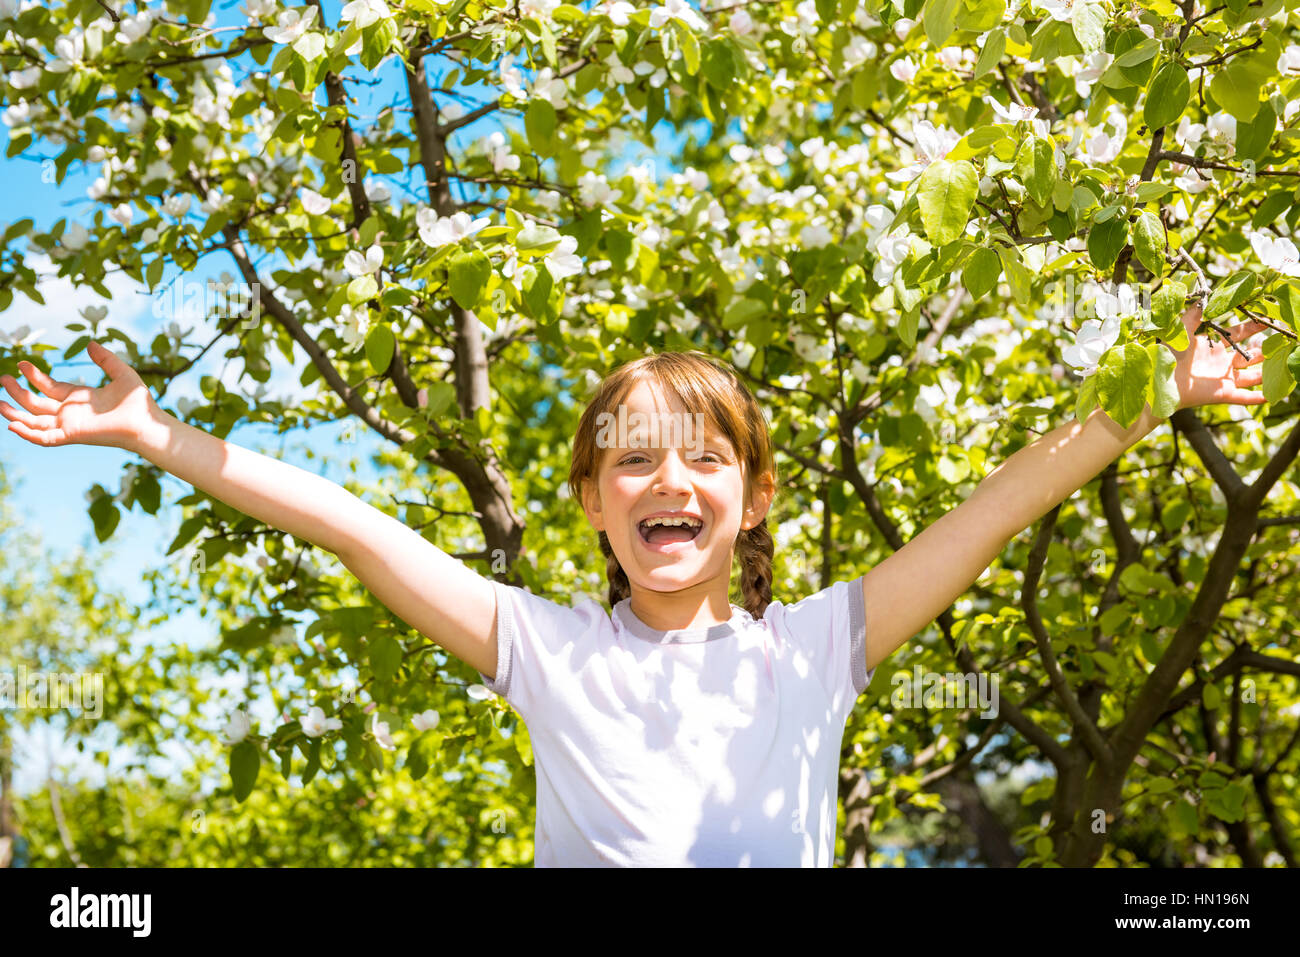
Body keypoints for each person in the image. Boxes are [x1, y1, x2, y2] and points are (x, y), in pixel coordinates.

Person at [0, 302, 1267, 865]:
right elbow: (344, 521)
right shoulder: (542, 647)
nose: (671, 479)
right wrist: (156, 437)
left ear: (753, 500)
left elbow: (997, 508)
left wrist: (1151, 392)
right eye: (635, 460)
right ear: (598, 506)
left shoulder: (821, 646)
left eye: (705, 457)